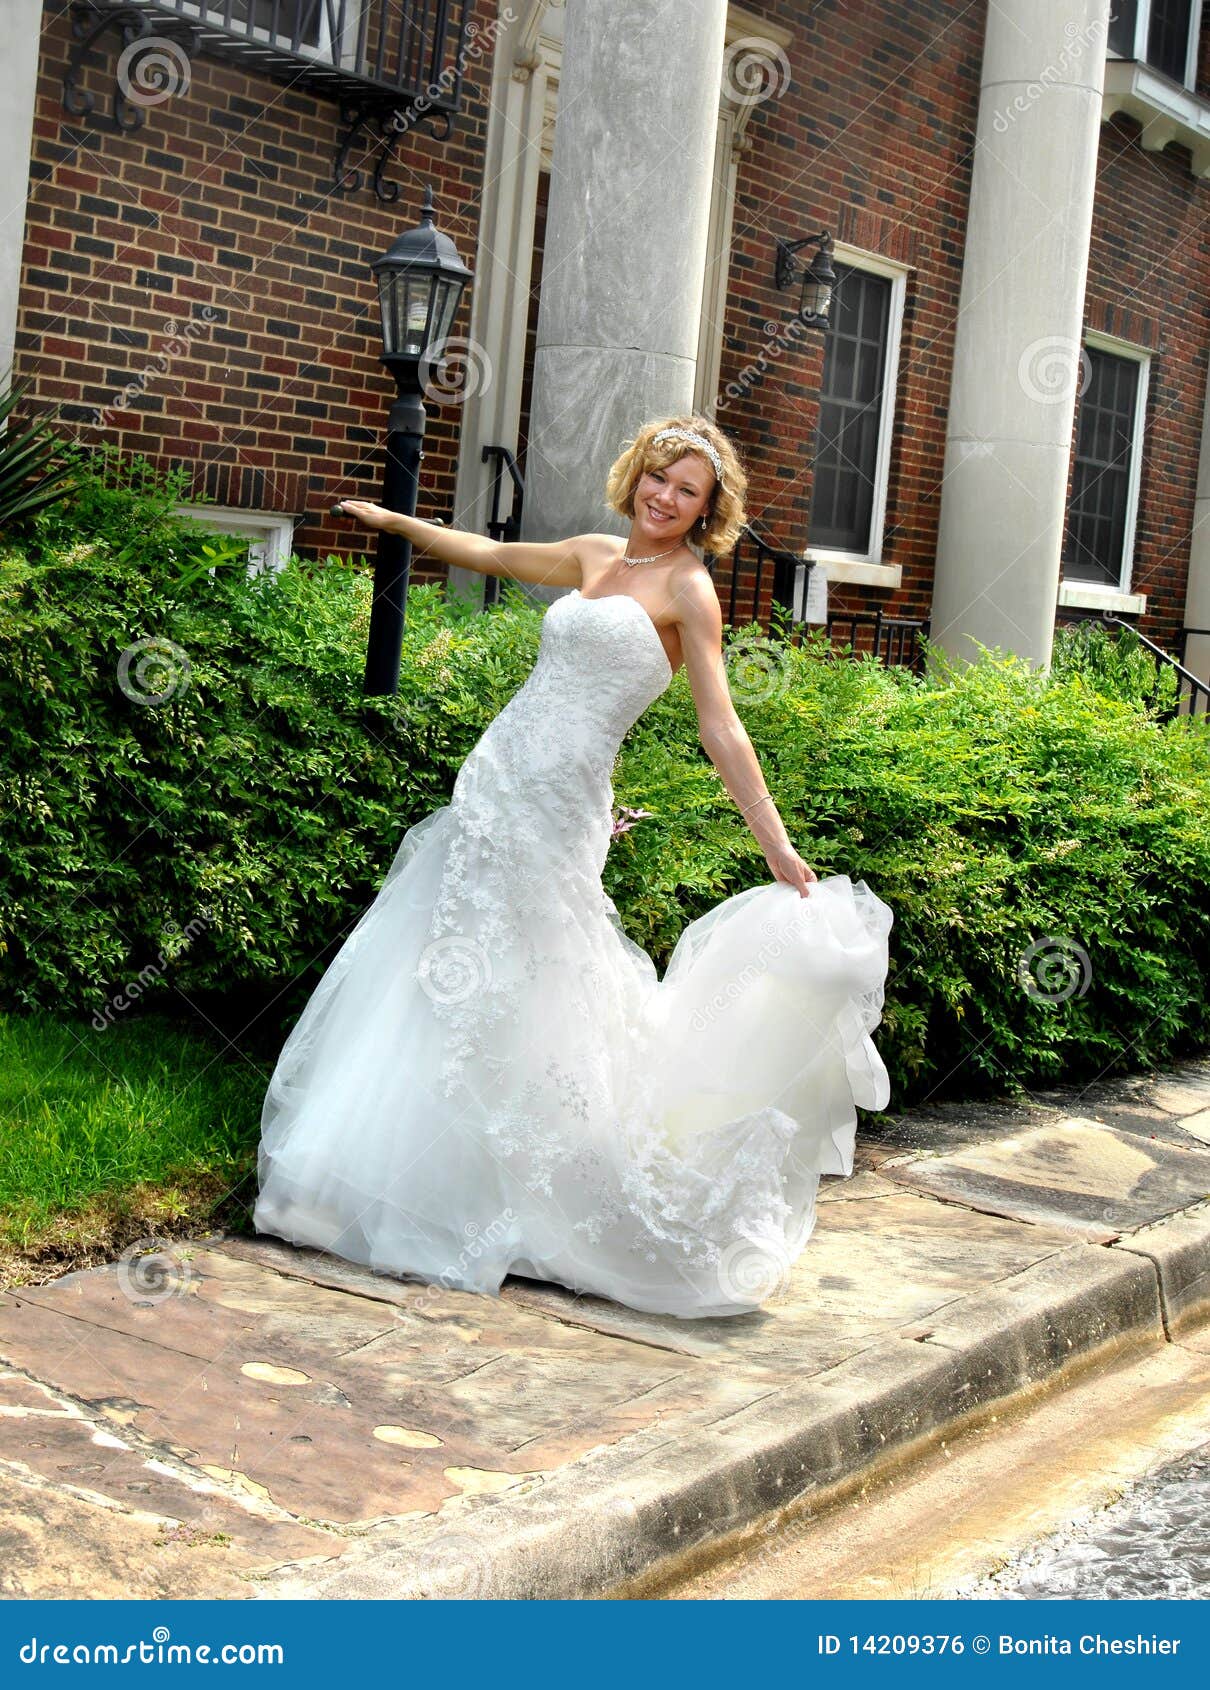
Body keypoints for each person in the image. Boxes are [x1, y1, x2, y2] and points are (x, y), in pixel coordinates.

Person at [253, 414, 892, 1319]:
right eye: (658, 479)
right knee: (448, 956)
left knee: (541, 973)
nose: (665, 499)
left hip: (560, 808)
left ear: (708, 510)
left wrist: (775, 843)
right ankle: (399, 1167)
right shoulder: (594, 553)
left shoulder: (690, 591)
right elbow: (485, 550)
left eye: (688, 491)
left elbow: (721, 726)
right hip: (498, 777)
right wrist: (398, 524)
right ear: (636, 474)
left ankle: (535, 1182)